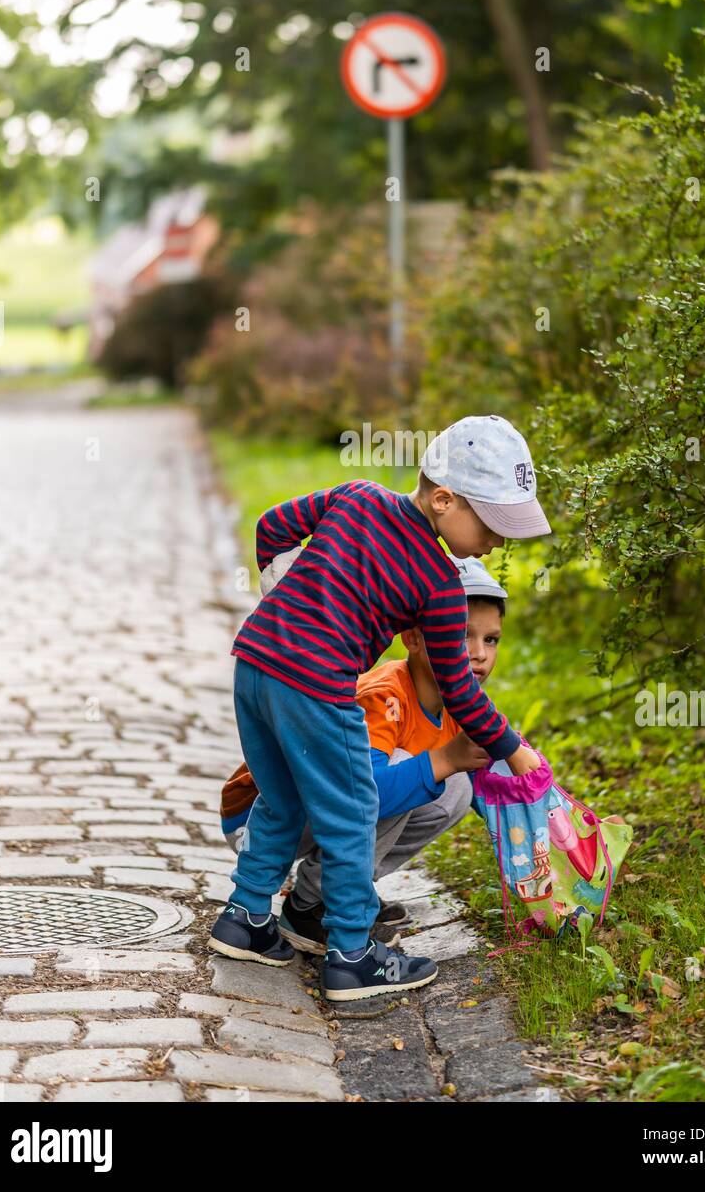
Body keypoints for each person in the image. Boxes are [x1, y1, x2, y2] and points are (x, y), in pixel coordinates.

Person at [208, 414, 551, 1002]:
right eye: (493, 525)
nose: (499, 542)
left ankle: (246, 918)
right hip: (316, 687)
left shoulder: (357, 496)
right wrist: (513, 750)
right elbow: (462, 693)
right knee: (353, 813)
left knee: (285, 797)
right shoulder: (442, 584)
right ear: (445, 499)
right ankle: (351, 954)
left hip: (255, 663)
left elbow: (272, 527)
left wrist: (288, 601)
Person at [220, 557, 508, 955]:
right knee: (414, 771)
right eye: (461, 635)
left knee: (456, 787)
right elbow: (355, 791)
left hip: (316, 809)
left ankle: (330, 891)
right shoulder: (385, 694)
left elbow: (511, 781)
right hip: (260, 813)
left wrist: (570, 836)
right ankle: (315, 905)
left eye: (490, 639)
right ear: (413, 636)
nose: (478, 654)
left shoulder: (466, 705)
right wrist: (442, 760)